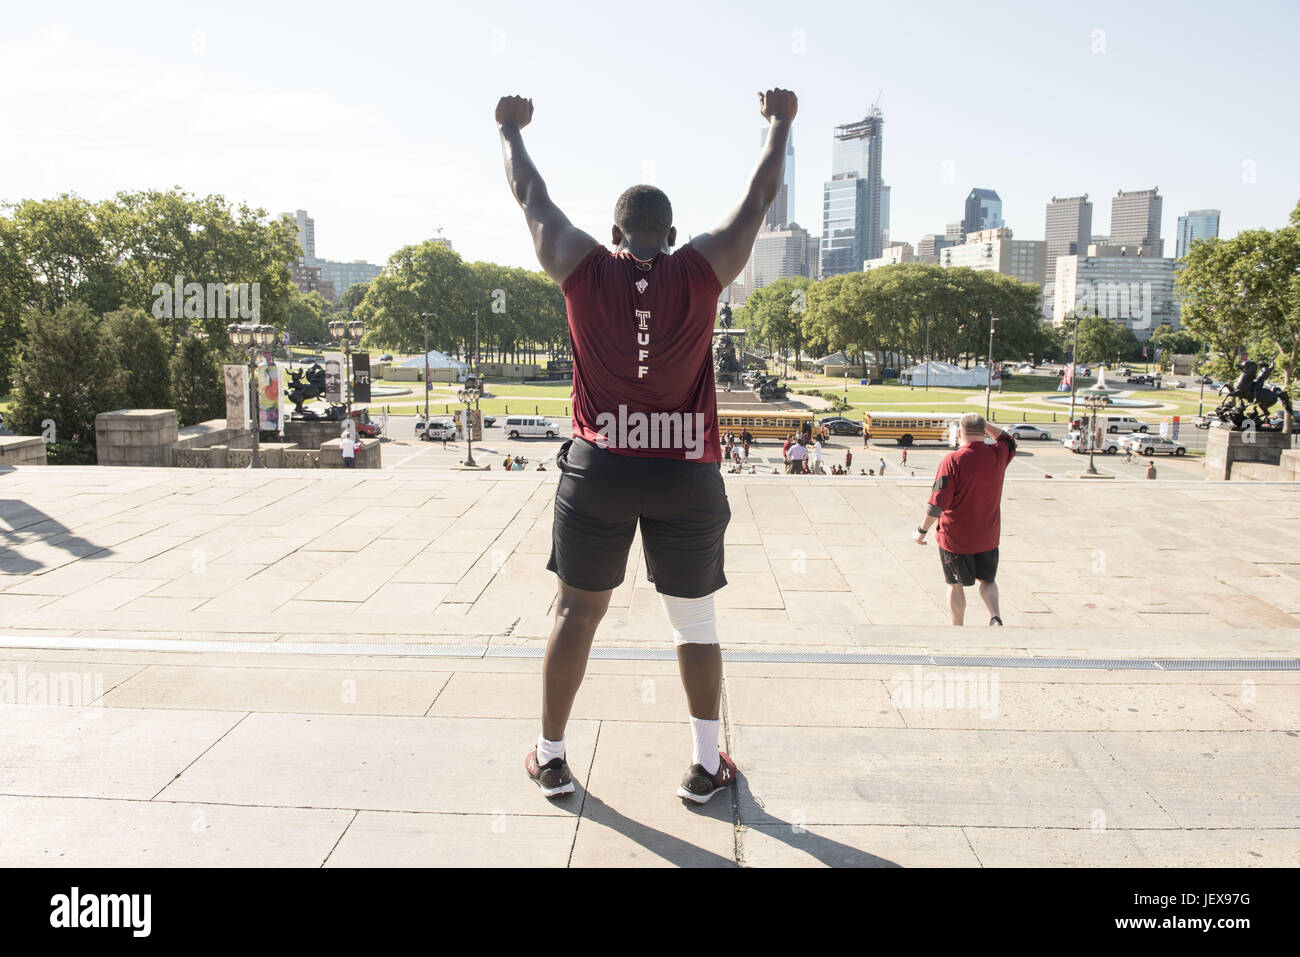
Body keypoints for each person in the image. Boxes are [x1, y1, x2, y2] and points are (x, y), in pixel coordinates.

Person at [498, 87, 798, 804]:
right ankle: (703, 764)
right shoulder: (702, 268)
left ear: (613, 229)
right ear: (672, 232)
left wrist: (509, 130)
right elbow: (758, 200)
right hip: (685, 471)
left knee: (576, 611)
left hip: (598, 466)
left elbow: (531, 196)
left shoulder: (582, 264)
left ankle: (552, 757)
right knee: (694, 622)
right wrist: (781, 123)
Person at [911, 413, 1016, 626]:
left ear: (960, 433)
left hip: (956, 538)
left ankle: (957, 627)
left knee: (954, 584)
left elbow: (936, 503)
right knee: (988, 581)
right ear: (983, 431)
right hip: (988, 535)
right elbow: (1008, 439)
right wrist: (984, 424)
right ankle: (995, 616)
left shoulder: (953, 460)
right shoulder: (998, 454)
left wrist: (921, 531)